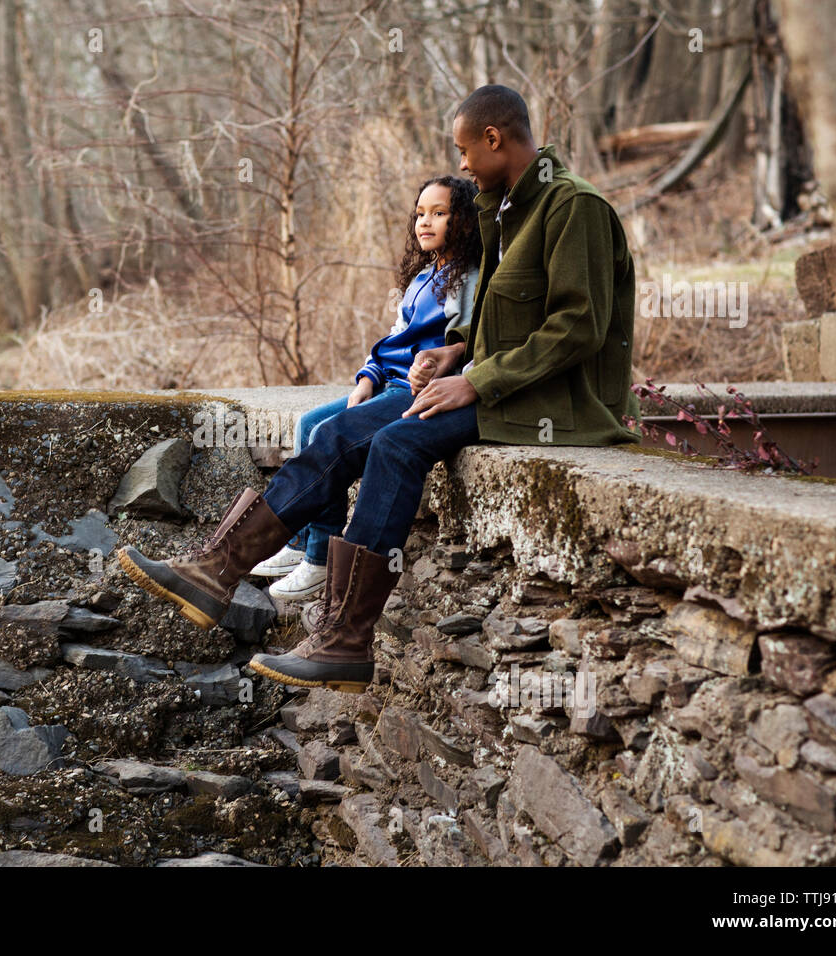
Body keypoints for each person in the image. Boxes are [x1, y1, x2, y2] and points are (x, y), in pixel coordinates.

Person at [119, 84, 641, 693]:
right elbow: (504, 314)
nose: (463, 164)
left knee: (396, 445)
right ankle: (217, 569)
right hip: (505, 385)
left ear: (494, 138)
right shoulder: (508, 208)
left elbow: (578, 326)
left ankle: (344, 640)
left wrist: (476, 381)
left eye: (465, 150)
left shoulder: (572, 207)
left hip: (556, 404)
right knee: (339, 429)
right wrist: (458, 347)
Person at [250, 175, 482, 604]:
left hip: (412, 391)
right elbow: (392, 339)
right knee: (310, 423)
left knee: (327, 435)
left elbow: (466, 346)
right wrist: (366, 379)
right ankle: (301, 544)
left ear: (465, 219)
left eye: (439, 213)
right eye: (420, 214)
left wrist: (434, 371)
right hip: (384, 385)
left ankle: (319, 559)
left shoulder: (468, 281)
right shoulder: (421, 279)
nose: (425, 222)